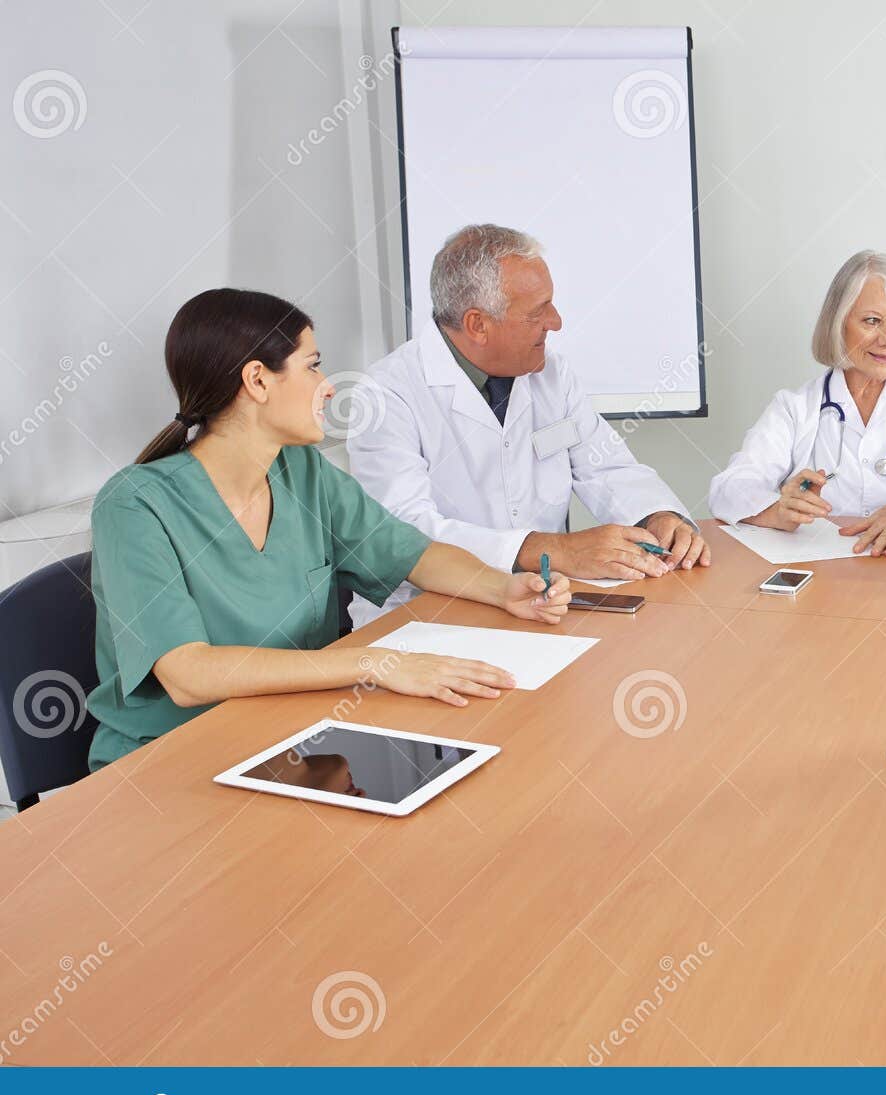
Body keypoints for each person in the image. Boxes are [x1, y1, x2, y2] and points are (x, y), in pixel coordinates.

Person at [86, 289, 571, 771]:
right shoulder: (134, 505)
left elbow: (414, 554)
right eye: (312, 366)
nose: (329, 386)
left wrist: (504, 589)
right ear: (257, 380)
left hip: (290, 740)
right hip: (170, 764)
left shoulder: (302, 471)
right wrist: (375, 663)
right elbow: (188, 674)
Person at [347, 225, 706, 626]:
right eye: (538, 312)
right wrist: (551, 549)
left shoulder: (552, 374)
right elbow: (403, 534)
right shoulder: (386, 394)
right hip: (422, 616)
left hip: (539, 602)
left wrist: (657, 517)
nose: (556, 322)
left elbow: (606, 467)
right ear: (477, 324)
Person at [707, 251, 886, 556]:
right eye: (872, 321)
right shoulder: (794, 409)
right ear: (837, 324)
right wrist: (778, 510)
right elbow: (729, 488)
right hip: (821, 572)